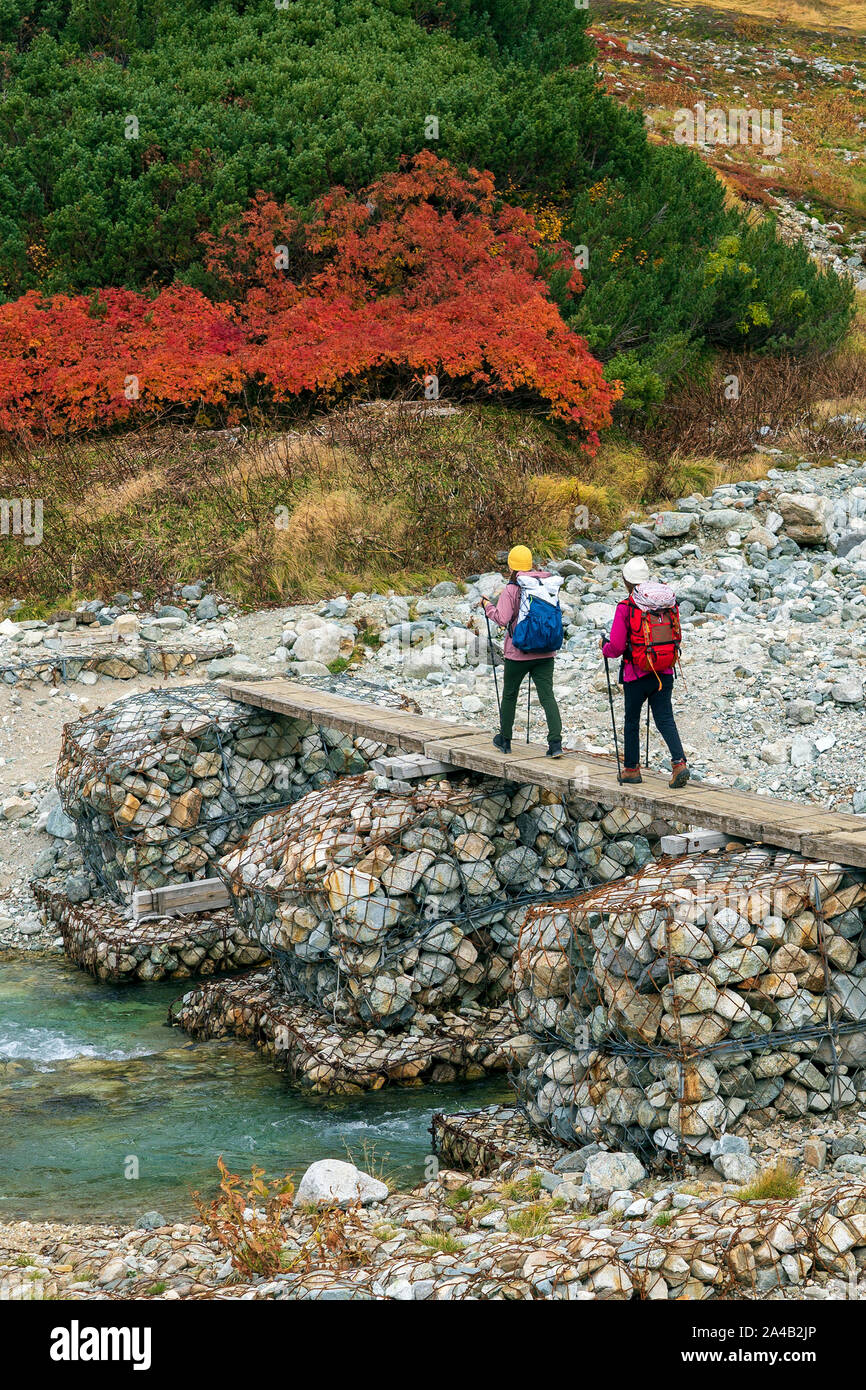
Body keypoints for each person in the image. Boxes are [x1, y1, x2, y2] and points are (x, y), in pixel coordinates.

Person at [600, 556, 689, 788]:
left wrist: (604, 648)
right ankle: (679, 763)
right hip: (664, 670)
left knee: (632, 721)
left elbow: (617, 647)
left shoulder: (626, 606)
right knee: (665, 718)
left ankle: (631, 769)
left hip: (636, 673)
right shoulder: (666, 604)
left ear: (626, 580)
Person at [480, 544, 563, 758]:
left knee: (510, 695)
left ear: (511, 566)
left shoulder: (512, 588)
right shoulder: (547, 584)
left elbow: (502, 619)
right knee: (547, 697)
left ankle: (505, 740)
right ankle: (555, 744)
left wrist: (487, 606)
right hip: (545, 652)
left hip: (518, 653)